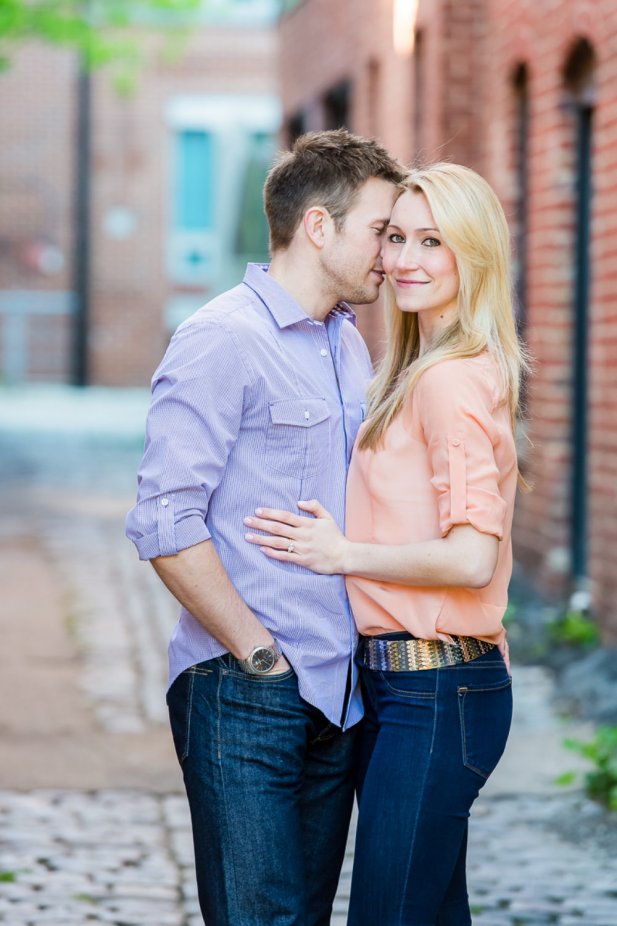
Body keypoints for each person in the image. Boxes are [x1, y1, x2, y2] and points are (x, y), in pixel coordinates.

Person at [125, 129, 403, 926]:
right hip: (244, 690)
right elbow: (163, 520)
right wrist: (257, 655)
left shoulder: (347, 346)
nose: (389, 253)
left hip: (339, 696)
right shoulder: (223, 338)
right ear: (319, 227)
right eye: (379, 232)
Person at [243, 162, 528, 925]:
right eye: (395, 236)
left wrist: (343, 554)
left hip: (438, 691)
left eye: (432, 241)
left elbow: (471, 557)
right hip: (402, 690)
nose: (403, 259)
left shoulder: (448, 382)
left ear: (473, 255)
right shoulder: (410, 371)